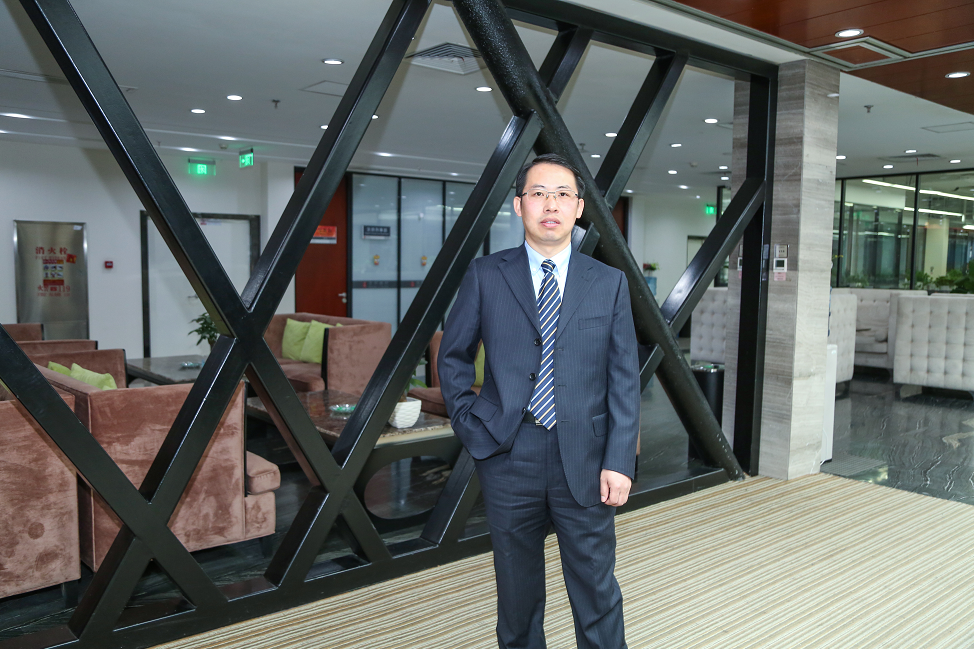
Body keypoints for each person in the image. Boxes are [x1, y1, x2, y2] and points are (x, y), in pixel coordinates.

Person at [438, 153, 640, 649]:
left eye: (563, 194)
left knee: (596, 588)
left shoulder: (608, 282)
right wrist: (472, 425)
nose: (551, 205)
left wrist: (619, 460)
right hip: (509, 453)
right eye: (539, 194)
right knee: (517, 593)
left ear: (579, 208)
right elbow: (453, 356)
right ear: (519, 205)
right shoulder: (486, 274)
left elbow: (623, 378)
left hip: (587, 456)